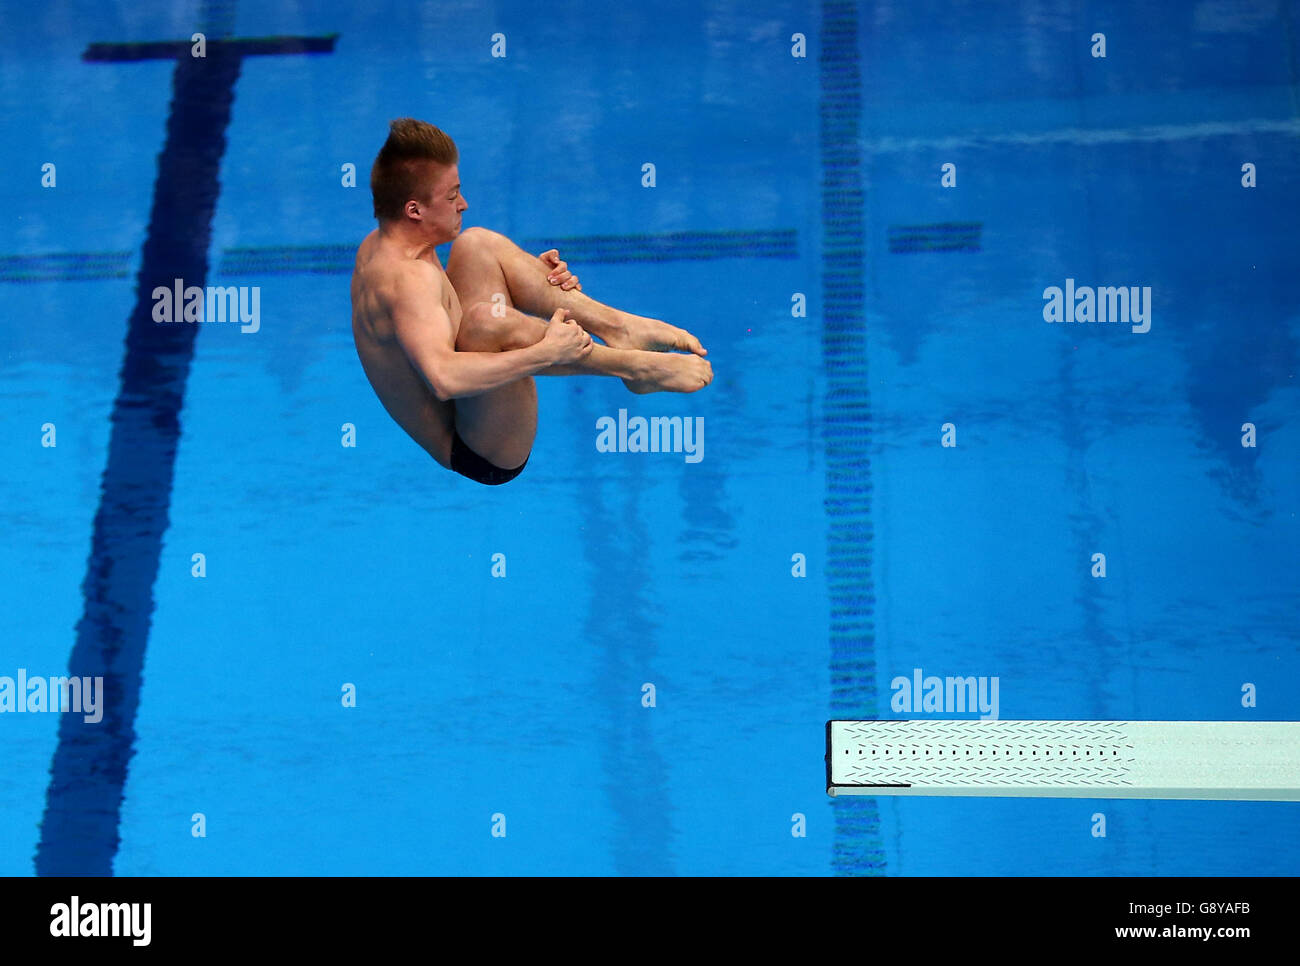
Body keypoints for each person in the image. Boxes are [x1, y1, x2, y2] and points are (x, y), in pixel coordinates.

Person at [351, 118, 713, 485]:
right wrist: (546, 352)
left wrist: (529, 276)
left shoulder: (383, 242)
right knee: (485, 321)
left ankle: (620, 328)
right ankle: (634, 367)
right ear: (415, 210)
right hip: (477, 446)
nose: (463, 203)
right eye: (451, 197)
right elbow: (443, 379)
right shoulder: (409, 279)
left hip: (470, 394)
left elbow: (439, 307)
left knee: (477, 243)